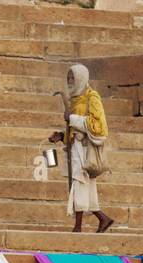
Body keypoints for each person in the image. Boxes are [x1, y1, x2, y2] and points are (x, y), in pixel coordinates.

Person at [48, 64, 114, 234]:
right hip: (74, 148)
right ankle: (102, 219)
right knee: (85, 186)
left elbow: (98, 127)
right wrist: (61, 136)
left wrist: (72, 118)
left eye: (73, 78)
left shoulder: (93, 98)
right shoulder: (75, 99)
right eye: (68, 78)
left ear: (82, 78)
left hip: (86, 150)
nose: (70, 81)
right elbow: (75, 127)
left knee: (79, 183)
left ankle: (78, 227)